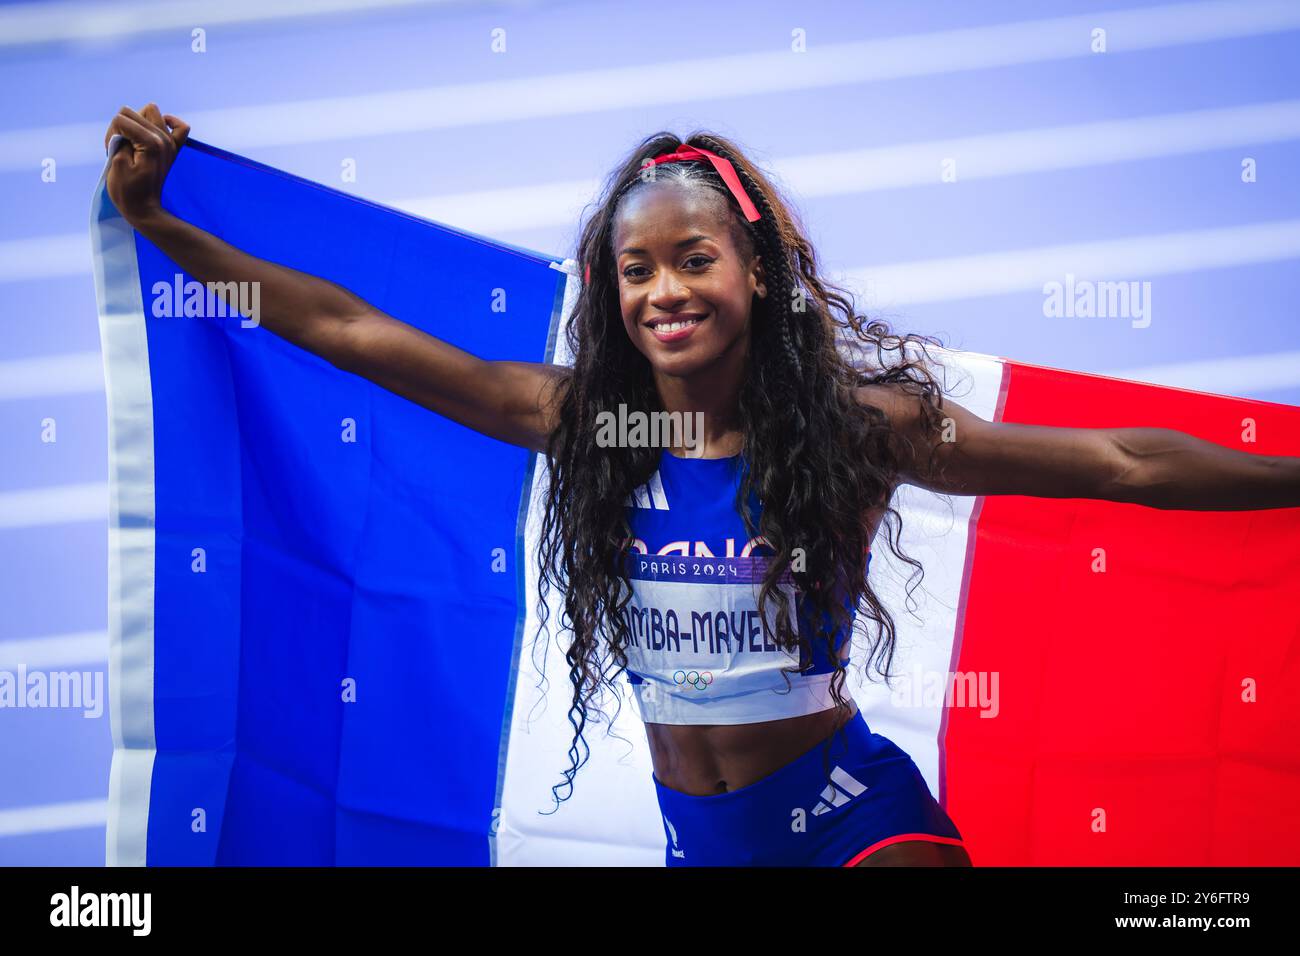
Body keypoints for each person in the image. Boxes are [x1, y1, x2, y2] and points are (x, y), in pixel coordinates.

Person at [102, 104, 1300, 867]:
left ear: (757, 274)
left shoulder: (857, 430)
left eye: (693, 258)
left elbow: (1118, 462)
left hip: (852, 818)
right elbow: (352, 331)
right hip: (702, 842)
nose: (662, 290)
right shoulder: (581, 421)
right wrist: (165, 224)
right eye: (635, 270)